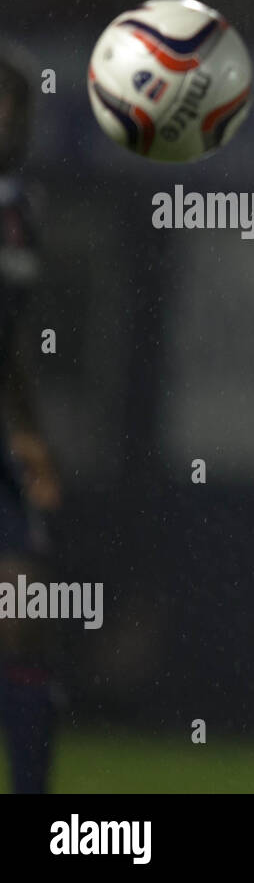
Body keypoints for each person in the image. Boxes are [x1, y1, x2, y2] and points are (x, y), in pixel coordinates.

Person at [0, 48, 63, 794]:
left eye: (12, 106)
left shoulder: (24, 209)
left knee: (21, 612)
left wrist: (27, 432)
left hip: (7, 441)